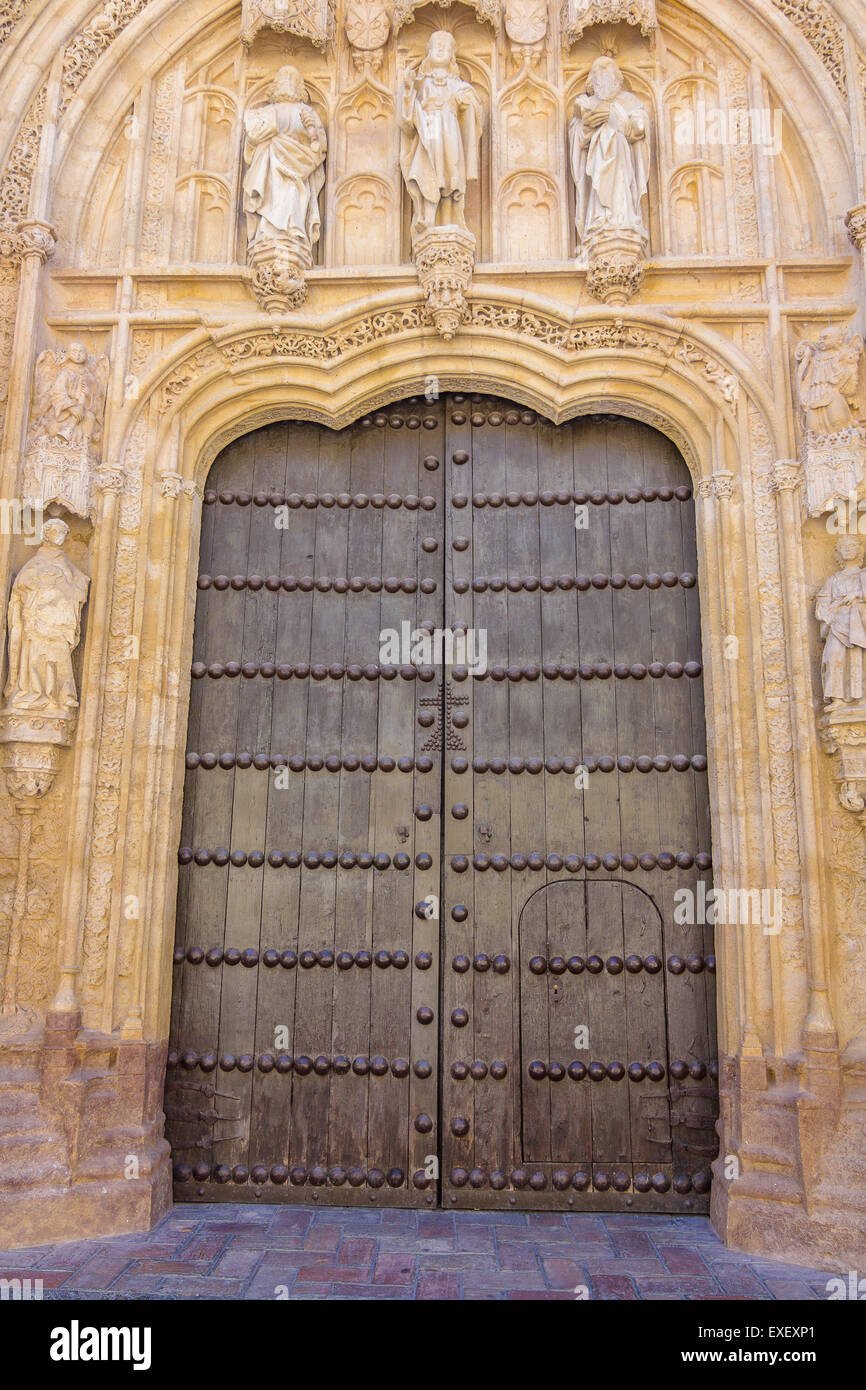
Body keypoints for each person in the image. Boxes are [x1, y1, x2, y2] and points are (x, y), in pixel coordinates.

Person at [399, 31, 482, 239]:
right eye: (437, 45)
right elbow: (407, 115)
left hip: (451, 132)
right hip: (431, 130)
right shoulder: (422, 82)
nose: (441, 48)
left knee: (450, 173)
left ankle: (450, 219)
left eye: (446, 46)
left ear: (452, 55)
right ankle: (427, 217)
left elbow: (473, 106)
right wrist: (409, 89)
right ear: (428, 52)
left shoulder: (458, 83)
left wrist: (466, 101)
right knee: (430, 169)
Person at [569, 56, 650, 251]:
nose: (603, 73)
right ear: (591, 81)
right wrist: (587, 122)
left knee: (614, 139)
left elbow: (639, 127)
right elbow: (578, 138)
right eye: (597, 70)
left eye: (608, 68)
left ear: (618, 78)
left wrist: (613, 115)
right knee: (605, 138)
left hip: (621, 162)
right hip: (595, 162)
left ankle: (622, 218)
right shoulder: (586, 103)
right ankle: (600, 219)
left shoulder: (629, 102)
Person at [816, 537, 866, 708]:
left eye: (852, 546)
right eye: (843, 547)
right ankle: (837, 698)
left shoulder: (864, 575)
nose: (848, 549)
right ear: (838, 552)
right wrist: (834, 608)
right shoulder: (834, 579)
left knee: (858, 657)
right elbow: (822, 602)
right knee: (834, 656)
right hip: (839, 624)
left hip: (860, 623)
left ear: (860, 550)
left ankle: (861, 698)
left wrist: (858, 595)